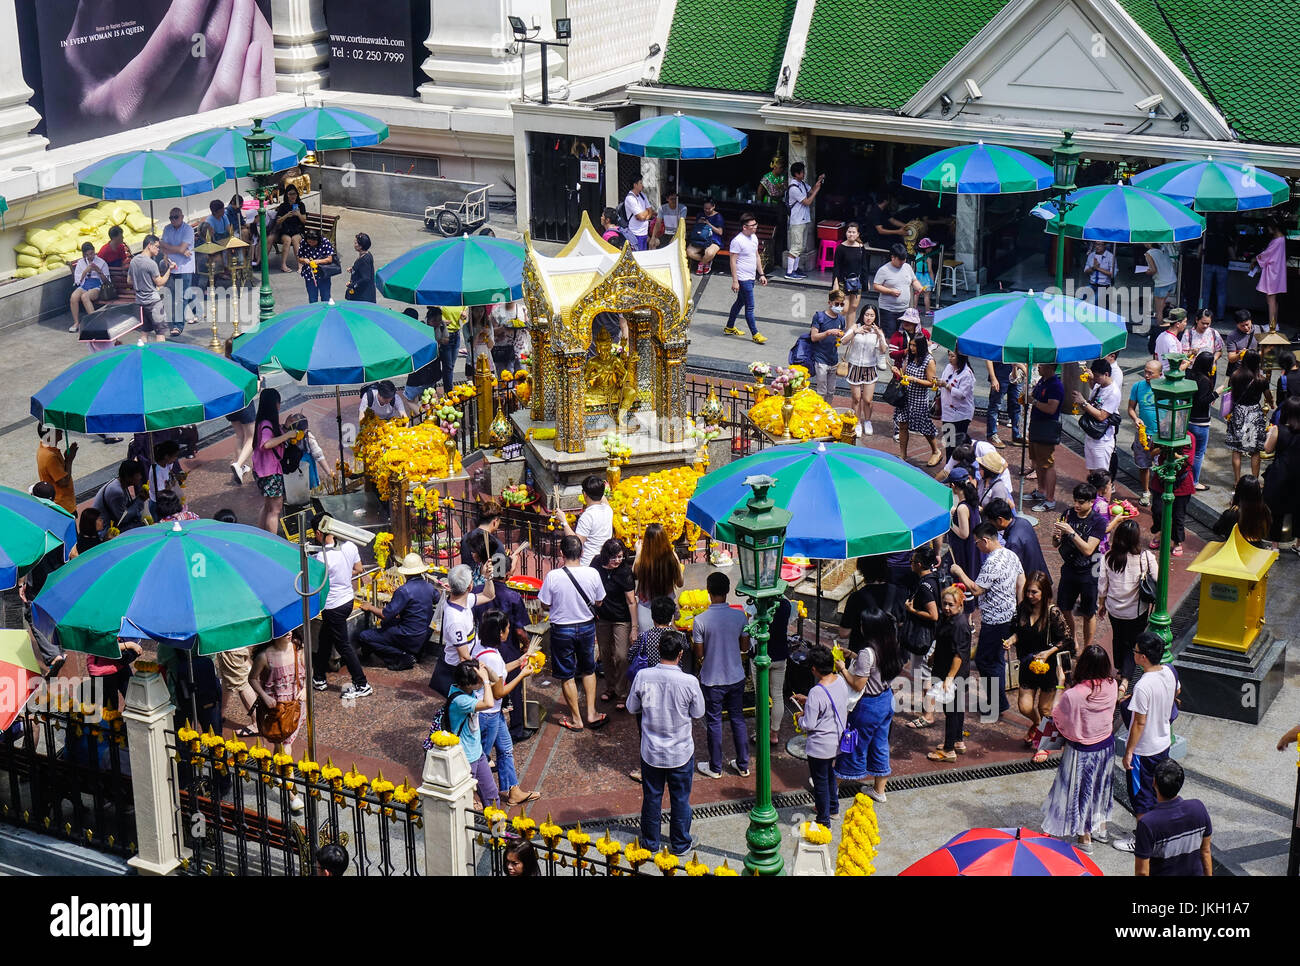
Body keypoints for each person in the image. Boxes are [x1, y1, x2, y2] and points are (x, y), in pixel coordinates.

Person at [627, 630, 704, 855]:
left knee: (652, 796)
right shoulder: (689, 681)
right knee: (680, 799)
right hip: (680, 752)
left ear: (659, 650)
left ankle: (650, 842)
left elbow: (632, 707)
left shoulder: (643, 676)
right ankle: (680, 843)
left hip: (651, 751)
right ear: (680, 654)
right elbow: (698, 712)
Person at [1041, 644, 1118, 853]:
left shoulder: (1075, 694)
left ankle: (1085, 838)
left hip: (1083, 751)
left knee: (1081, 792)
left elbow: (1055, 713)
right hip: (1106, 746)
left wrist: (1060, 685)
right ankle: (1101, 828)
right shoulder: (1112, 685)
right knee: (1100, 787)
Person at [950, 522, 1026, 717]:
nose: (977, 547)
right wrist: (1019, 607)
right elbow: (1021, 582)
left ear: (985, 540)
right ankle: (997, 701)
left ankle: (997, 702)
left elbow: (976, 589)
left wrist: (960, 573)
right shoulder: (1011, 554)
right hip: (1009, 615)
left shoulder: (992, 562)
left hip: (995, 620)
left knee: (985, 661)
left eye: (977, 543)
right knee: (996, 659)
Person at [1113, 632, 1180, 852]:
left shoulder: (1143, 686)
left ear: (1143, 657)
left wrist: (1129, 751)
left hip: (1144, 750)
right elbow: (1176, 691)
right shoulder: (1169, 672)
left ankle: (1143, 840)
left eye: (1135, 651)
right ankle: (1157, 832)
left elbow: (1139, 724)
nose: (1134, 654)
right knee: (1157, 792)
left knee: (1141, 796)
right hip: (1163, 743)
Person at [470, 610, 540, 806]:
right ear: (500, 633)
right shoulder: (492, 657)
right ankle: (474, 795)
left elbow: (498, 673)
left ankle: (513, 790)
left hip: (493, 713)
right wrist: (522, 675)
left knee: (506, 749)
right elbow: (500, 691)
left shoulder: (481, 647)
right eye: (507, 628)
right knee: (481, 757)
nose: (509, 631)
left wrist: (519, 662)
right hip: (488, 714)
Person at [539, 535, 607, 731]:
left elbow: (545, 603)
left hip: (562, 629)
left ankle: (577, 718)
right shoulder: (593, 573)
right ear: (582, 553)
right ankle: (592, 713)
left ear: (562, 553)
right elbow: (600, 600)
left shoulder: (553, 576)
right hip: (586, 626)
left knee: (567, 674)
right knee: (589, 669)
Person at [1003, 570, 1072, 754]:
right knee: (1025, 707)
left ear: (1044, 593)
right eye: (1028, 591)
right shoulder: (1022, 609)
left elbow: (1066, 639)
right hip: (1028, 664)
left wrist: (1048, 652)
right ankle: (1036, 724)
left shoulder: (1052, 612)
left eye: (1034, 592)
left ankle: (1047, 745)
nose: (1030, 596)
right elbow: (1019, 631)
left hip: (1049, 667)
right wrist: (1011, 640)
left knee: (1045, 708)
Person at [692, 571, 750, 779]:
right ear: (727, 591)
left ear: (708, 591)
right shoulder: (739, 616)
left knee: (714, 722)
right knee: (738, 719)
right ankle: (743, 764)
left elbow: (699, 653)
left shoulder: (700, 620)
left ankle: (716, 767)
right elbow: (745, 647)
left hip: (712, 678)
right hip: (736, 675)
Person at [310, 517, 371, 700]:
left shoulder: (321, 558)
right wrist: (343, 574)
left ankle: (362, 683)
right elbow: (358, 568)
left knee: (343, 645)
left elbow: (315, 584)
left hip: (333, 605)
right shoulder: (350, 546)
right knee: (325, 639)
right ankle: (319, 676)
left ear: (319, 533)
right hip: (347, 601)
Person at [249, 633, 307, 810]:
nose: (288, 633)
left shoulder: (299, 650)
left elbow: (309, 672)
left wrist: (304, 690)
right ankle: (291, 793)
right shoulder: (264, 657)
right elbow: (252, 678)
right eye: (283, 630)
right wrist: (264, 696)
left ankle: (277, 772)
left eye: (289, 629)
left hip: (295, 707)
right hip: (275, 710)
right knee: (284, 746)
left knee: (282, 745)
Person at [356, 553, 443, 671]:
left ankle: (401, 656)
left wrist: (370, 607)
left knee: (364, 636)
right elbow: (437, 598)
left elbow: (385, 614)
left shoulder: (404, 591)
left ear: (406, 573)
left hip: (408, 634)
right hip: (423, 633)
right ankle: (411, 651)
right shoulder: (429, 587)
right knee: (386, 625)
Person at [1097, 519, 1157, 689]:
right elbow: (1159, 579)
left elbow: (1102, 585)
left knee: (1119, 638)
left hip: (1114, 609)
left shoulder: (1108, 557)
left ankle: (1119, 669)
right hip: (1137, 611)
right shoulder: (1145, 557)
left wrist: (1101, 604)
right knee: (1133, 643)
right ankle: (1125, 678)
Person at [794, 644, 850, 825]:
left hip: (819, 746)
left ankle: (823, 820)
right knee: (829, 775)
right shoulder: (840, 680)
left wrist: (799, 717)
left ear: (814, 669)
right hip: (837, 740)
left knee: (820, 783)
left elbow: (809, 724)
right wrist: (808, 701)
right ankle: (834, 809)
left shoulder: (816, 691)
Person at [1134, 759, 1213, 876]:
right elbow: (1205, 851)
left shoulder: (1147, 823)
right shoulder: (1198, 808)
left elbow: (1142, 872)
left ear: (1154, 782)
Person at [1051, 482, 1106, 647]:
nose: (1076, 505)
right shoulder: (1068, 514)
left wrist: (1071, 532)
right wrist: (1056, 537)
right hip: (1069, 568)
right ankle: (1073, 640)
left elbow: (1088, 550)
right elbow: (1055, 544)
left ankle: (1087, 647)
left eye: (1081, 502)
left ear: (1091, 502)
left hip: (1089, 571)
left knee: (1089, 612)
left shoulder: (1098, 522)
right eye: (1075, 500)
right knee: (1064, 607)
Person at [428, 563, 496, 695]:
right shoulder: (456, 620)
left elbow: (489, 596)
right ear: (470, 587)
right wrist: (483, 677)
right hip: (457, 669)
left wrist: (488, 578)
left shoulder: (464, 600)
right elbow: (464, 657)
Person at [445, 659, 499, 807]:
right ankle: (467, 829)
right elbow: (489, 703)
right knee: (464, 800)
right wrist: (486, 680)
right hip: (465, 758)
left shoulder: (468, 689)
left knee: (492, 796)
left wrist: (485, 668)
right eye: (479, 681)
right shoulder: (460, 700)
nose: (482, 683)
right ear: (468, 684)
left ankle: (497, 830)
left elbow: (496, 680)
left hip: (477, 753)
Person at [926, 587, 971, 763]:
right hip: (944, 668)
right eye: (944, 604)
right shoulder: (948, 619)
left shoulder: (959, 624)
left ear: (960, 603)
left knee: (951, 710)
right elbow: (942, 641)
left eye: (950, 605)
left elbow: (959, 655)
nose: (946, 607)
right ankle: (958, 741)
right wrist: (934, 656)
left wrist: (949, 678)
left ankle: (948, 749)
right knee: (956, 709)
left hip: (953, 674)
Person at [593, 538, 637, 710]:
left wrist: (634, 627)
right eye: (614, 557)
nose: (618, 560)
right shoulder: (596, 563)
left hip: (621, 618)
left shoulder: (625, 572)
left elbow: (631, 601)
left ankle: (621, 692)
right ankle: (610, 686)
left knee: (621, 655)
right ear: (606, 556)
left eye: (620, 556)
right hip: (602, 617)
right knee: (605, 653)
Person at [901, 548, 941, 728]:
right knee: (924, 675)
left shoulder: (925, 587)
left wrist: (913, 611)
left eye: (912, 562)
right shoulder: (935, 578)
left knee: (925, 677)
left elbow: (934, 615)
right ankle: (927, 708)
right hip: (931, 636)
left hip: (925, 638)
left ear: (918, 564)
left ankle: (928, 715)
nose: (910, 564)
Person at [890, 333, 943, 466]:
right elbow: (904, 373)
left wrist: (915, 379)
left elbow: (932, 383)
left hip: (919, 398)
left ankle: (936, 451)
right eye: (911, 345)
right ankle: (903, 454)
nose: (912, 348)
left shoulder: (929, 360)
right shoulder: (909, 357)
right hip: (906, 396)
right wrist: (898, 372)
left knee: (924, 427)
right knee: (902, 423)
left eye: (915, 345)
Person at [251, 388, 298, 534]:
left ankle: (261, 534)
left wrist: (284, 426)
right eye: (279, 402)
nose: (279, 405)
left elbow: (273, 436)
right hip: (270, 471)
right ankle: (273, 542)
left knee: (267, 506)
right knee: (275, 509)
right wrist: (288, 434)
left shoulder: (264, 422)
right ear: (274, 404)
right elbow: (267, 444)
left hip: (263, 470)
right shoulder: (267, 424)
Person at [841, 304, 888, 438]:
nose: (868, 318)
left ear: (875, 317)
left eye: (872, 315)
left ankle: (868, 421)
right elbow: (843, 341)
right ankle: (857, 423)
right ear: (862, 315)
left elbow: (883, 350)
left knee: (868, 399)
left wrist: (880, 336)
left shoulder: (878, 331)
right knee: (856, 398)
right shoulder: (855, 327)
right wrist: (855, 332)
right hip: (855, 366)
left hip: (870, 368)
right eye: (866, 315)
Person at [1226, 349, 1273, 482]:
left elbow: (1231, 393)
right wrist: (1271, 403)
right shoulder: (1261, 379)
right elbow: (1268, 396)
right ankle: (1254, 480)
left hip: (1238, 412)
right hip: (1254, 413)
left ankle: (1236, 482)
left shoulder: (1235, 375)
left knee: (1236, 449)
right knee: (1255, 450)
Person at [722, 212, 769, 344]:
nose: (755, 227)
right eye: (752, 225)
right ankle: (755, 334)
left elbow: (757, 256)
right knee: (750, 307)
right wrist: (735, 281)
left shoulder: (753, 237)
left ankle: (729, 327)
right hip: (743, 279)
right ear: (744, 227)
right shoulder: (737, 241)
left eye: (755, 224)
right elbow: (733, 261)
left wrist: (761, 274)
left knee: (739, 303)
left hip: (751, 276)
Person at [1147, 435, 1196, 557]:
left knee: (1178, 516)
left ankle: (1177, 541)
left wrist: (1171, 451)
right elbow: (1151, 453)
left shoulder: (1189, 437)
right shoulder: (1162, 433)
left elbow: (1187, 462)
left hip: (1181, 483)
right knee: (1157, 510)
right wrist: (1162, 448)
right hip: (1161, 479)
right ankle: (1160, 531)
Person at [1027, 363, 1065, 511]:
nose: (1038, 367)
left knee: (1047, 464)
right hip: (1036, 426)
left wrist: (1034, 402)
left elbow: (1051, 408)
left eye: (1041, 365)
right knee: (1036, 461)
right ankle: (1041, 490)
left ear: (1050, 367)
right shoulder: (1042, 381)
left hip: (1046, 428)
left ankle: (1050, 499)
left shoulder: (1055, 386)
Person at [1264, 397, 1300, 552]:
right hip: (1298, 475)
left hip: (1280, 473)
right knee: (1298, 510)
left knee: (1276, 511)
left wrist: (1269, 434)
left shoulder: (1278, 429)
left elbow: (1267, 449)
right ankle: (1299, 545)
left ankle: (1274, 547)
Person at [1074, 357, 1122, 473]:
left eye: (1096, 376)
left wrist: (1083, 402)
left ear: (1106, 374)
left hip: (1103, 441)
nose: (1094, 378)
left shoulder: (1113, 392)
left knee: (1101, 477)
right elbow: (1093, 401)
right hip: (1091, 437)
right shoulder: (1098, 386)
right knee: (1092, 473)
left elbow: (1102, 416)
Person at [554, 474, 614, 567]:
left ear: (585, 494)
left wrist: (564, 521)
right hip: (604, 559)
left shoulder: (588, 516)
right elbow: (602, 497)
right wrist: (600, 488)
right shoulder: (608, 509)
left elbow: (576, 542)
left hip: (589, 562)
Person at [983, 498, 1048, 577]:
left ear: (1000, 520)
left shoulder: (1013, 542)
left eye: (991, 522)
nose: (990, 525)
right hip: (1040, 575)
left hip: (1030, 582)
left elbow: (1012, 572)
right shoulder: (1023, 521)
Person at [946, 469, 983, 604]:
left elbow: (963, 533)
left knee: (961, 582)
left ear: (954, 486)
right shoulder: (971, 501)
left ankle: (966, 616)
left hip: (963, 551)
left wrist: (949, 523)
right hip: (972, 549)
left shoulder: (962, 508)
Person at [872, 243, 922, 339]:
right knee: (889, 335)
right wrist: (890, 291)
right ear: (893, 257)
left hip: (904, 309)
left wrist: (919, 287)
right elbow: (876, 286)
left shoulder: (907, 267)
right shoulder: (884, 270)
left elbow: (913, 280)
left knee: (903, 334)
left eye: (904, 259)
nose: (902, 262)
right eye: (900, 260)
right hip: (888, 310)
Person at [130, 235, 174, 343]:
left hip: (140, 302)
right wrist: (170, 269)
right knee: (160, 333)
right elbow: (160, 282)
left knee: (144, 332)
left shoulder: (133, 261)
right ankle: (161, 356)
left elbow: (129, 281)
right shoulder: (151, 263)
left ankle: (143, 355)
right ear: (149, 245)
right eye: (157, 246)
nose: (158, 250)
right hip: (154, 302)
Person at [784, 162, 823, 278]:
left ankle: (795, 269)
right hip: (796, 221)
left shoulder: (802, 184)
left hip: (803, 220)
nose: (804, 174)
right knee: (796, 246)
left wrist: (819, 181)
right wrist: (816, 191)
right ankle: (789, 272)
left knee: (800, 246)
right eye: (802, 172)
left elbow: (812, 190)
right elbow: (807, 201)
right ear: (796, 174)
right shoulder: (793, 188)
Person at [1211, 474, 1272, 548]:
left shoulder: (1232, 513)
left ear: (1238, 491)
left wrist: (1231, 509)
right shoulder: (1265, 510)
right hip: (1256, 550)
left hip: (1235, 550)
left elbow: (1217, 530)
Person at [809, 289, 846, 404]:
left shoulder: (841, 319)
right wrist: (828, 332)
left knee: (831, 391)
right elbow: (813, 337)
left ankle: (827, 410)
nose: (839, 306)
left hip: (833, 360)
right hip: (821, 360)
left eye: (842, 304)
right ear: (830, 303)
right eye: (837, 304)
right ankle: (820, 412)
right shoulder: (819, 317)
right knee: (821, 391)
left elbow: (842, 337)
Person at [91, 460, 147, 536]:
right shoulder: (117, 491)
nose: (140, 477)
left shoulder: (121, 483)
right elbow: (123, 518)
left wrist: (139, 498)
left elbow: (127, 508)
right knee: (142, 526)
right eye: (138, 475)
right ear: (128, 477)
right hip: (104, 530)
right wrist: (140, 500)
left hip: (114, 521)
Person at [1187, 351, 1217, 489]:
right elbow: (1202, 401)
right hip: (1200, 422)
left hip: (1189, 418)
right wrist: (1216, 394)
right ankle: (1194, 482)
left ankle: (1185, 478)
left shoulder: (1190, 375)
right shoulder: (1204, 380)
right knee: (1199, 453)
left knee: (1187, 451)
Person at [938, 350, 976, 457]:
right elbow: (944, 380)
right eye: (949, 355)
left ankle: (958, 466)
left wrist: (947, 386)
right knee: (949, 443)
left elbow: (961, 394)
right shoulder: (948, 367)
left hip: (961, 415)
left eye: (953, 356)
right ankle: (948, 465)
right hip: (947, 413)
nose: (950, 358)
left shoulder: (967, 374)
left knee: (958, 444)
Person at [1252, 220, 1287, 329]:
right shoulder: (1281, 239)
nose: (1268, 229)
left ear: (1274, 227)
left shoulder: (1278, 240)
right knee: (1273, 300)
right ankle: (1274, 324)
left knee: (1270, 299)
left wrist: (1255, 259)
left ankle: (1272, 326)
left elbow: (1267, 254)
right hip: (1276, 272)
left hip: (1272, 273)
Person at [36, 423, 78, 515]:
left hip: (59, 504)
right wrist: (69, 460)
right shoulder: (51, 457)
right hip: (63, 507)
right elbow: (63, 482)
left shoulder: (44, 449)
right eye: (57, 430)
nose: (61, 431)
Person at [69, 242, 110, 333]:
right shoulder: (81, 262)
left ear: (94, 251)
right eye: (87, 255)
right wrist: (85, 272)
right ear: (84, 255)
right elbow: (78, 281)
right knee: (73, 297)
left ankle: (95, 323)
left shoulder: (101, 262)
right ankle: (76, 323)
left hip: (97, 286)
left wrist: (98, 271)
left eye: (91, 253)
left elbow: (107, 281)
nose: (90, 256)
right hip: (85, 285)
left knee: (85, 297)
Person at [985, 360, 1025, 449]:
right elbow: (989, 359)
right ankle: (992, 434)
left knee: (1016, 405)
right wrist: (993, 378)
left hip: (1016, 376)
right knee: (995, 405)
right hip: (1000, 375)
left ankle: (1017, 435)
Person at [833, 222, 868, 319]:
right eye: (849, 232)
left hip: (857, 281)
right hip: (843, 281)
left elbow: (864, 266)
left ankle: (849, 332)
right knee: (844, 308)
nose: (851, 234)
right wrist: (835, 283)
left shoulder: (861, 247)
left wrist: (866, 281)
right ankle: (839, 330)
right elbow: (836, 267)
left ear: (858, 234)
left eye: (853, 232)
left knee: (853, 307)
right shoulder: (840, 248)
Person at [271, 184, 307, 271]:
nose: (293, 196)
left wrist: (298, 214)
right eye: (290, 194)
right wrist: (286, 215)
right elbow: (278, 221)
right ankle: (283, 265)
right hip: (286, 230)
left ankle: (300, 264)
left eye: (294, 194)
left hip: (298, 230)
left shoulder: (301, 205)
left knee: (295, 240)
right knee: (287, 240)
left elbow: (304, 221)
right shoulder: (283, 206)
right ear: (287, 195)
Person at [1143, 244, 1177, 334]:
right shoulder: (1163, 249)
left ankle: (1159, 332)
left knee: (1159, 311)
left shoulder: (1149, 253)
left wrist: (1147, 272)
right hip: (1172, 280)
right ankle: (1166, 330)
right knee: (1162, 307)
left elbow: (1153, 270)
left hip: (1161, 283)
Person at [299, 227, 336, 303]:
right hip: (309, 275)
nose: (311, 244)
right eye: (309, 242)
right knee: (312, 299)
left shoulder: (325, 242)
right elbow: (299, 257)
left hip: (323, 274)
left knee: (326, 298)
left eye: (313, 242)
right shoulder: (304, 242)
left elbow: (330, 259)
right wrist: (304, 260)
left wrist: (317, 261)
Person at [1223, 309, 1258, 378]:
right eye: (1242, 325)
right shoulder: (1232, 336)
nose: (1245, 327)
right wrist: (1239, 355)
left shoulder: (1260, 330)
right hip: (1239, 371)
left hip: (1256, 370)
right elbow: (1231, 358)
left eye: (1247, 324)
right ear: (1237, 325)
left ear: (1251, 320)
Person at [622, 177, 655, 251]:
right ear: (635, 185)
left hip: (644, 233)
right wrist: (646, 213)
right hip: (635, 234)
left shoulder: (642, 195)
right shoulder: (630, 198)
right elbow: (641, 217)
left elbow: (650, 210)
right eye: (640, 183)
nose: (642, 185)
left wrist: (646, 215)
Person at [1153, 307, 1188, 372]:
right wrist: (1186, 364)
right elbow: (1175, 367)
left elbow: (1156, 357)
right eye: (1185, 321)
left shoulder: (1161, 335)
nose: (1186, 324)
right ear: (1178, 324)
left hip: (1160, 375)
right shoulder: (1173, 341)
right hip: (1169, 378)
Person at [1082, 240, 1115, 305]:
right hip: (1092, 284)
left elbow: (1112, 274)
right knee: (1080, 298)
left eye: (1100, 245)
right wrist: (1093, 268)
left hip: (1104, 286)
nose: (1097, 247)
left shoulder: (1110, 257)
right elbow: (1085, 271)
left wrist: (1098, 268)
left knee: (1092, 302)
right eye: (1096, 244)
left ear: (1105, 246)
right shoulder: (1091, 255)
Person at [346, 232, 376, 301]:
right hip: (361, 294)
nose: (354, 245)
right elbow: (362, 269)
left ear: (361, 246)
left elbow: (365, 278)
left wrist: (352, 285)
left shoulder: (365, 260)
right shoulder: (365, 255)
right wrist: (353, 269)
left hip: (363, 296)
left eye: (356, 243)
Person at [914, 237, 938, 315]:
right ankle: (928, 311)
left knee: (916, 294)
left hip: (917, 276)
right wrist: (932, 281)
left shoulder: (917, 256)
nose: (931, 249)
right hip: (925, 277)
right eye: (930, 247)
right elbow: (930, 270)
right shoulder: (928, 259)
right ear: (926, 249)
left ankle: (915, 309)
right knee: (926, 295)